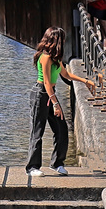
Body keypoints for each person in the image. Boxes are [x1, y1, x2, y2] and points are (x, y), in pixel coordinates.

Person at [27, 26, 99, 176]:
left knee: (61, 129)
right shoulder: (45, 57)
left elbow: (66, 74)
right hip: (41, 94)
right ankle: (32, 167)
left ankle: (57, 163)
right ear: (55, 40)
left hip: (50, 94)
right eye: (62, 39)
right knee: (37, 131)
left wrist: (85, 81)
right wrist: (55, 104)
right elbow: (46, 82)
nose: (64, 42)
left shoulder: (55, 58)